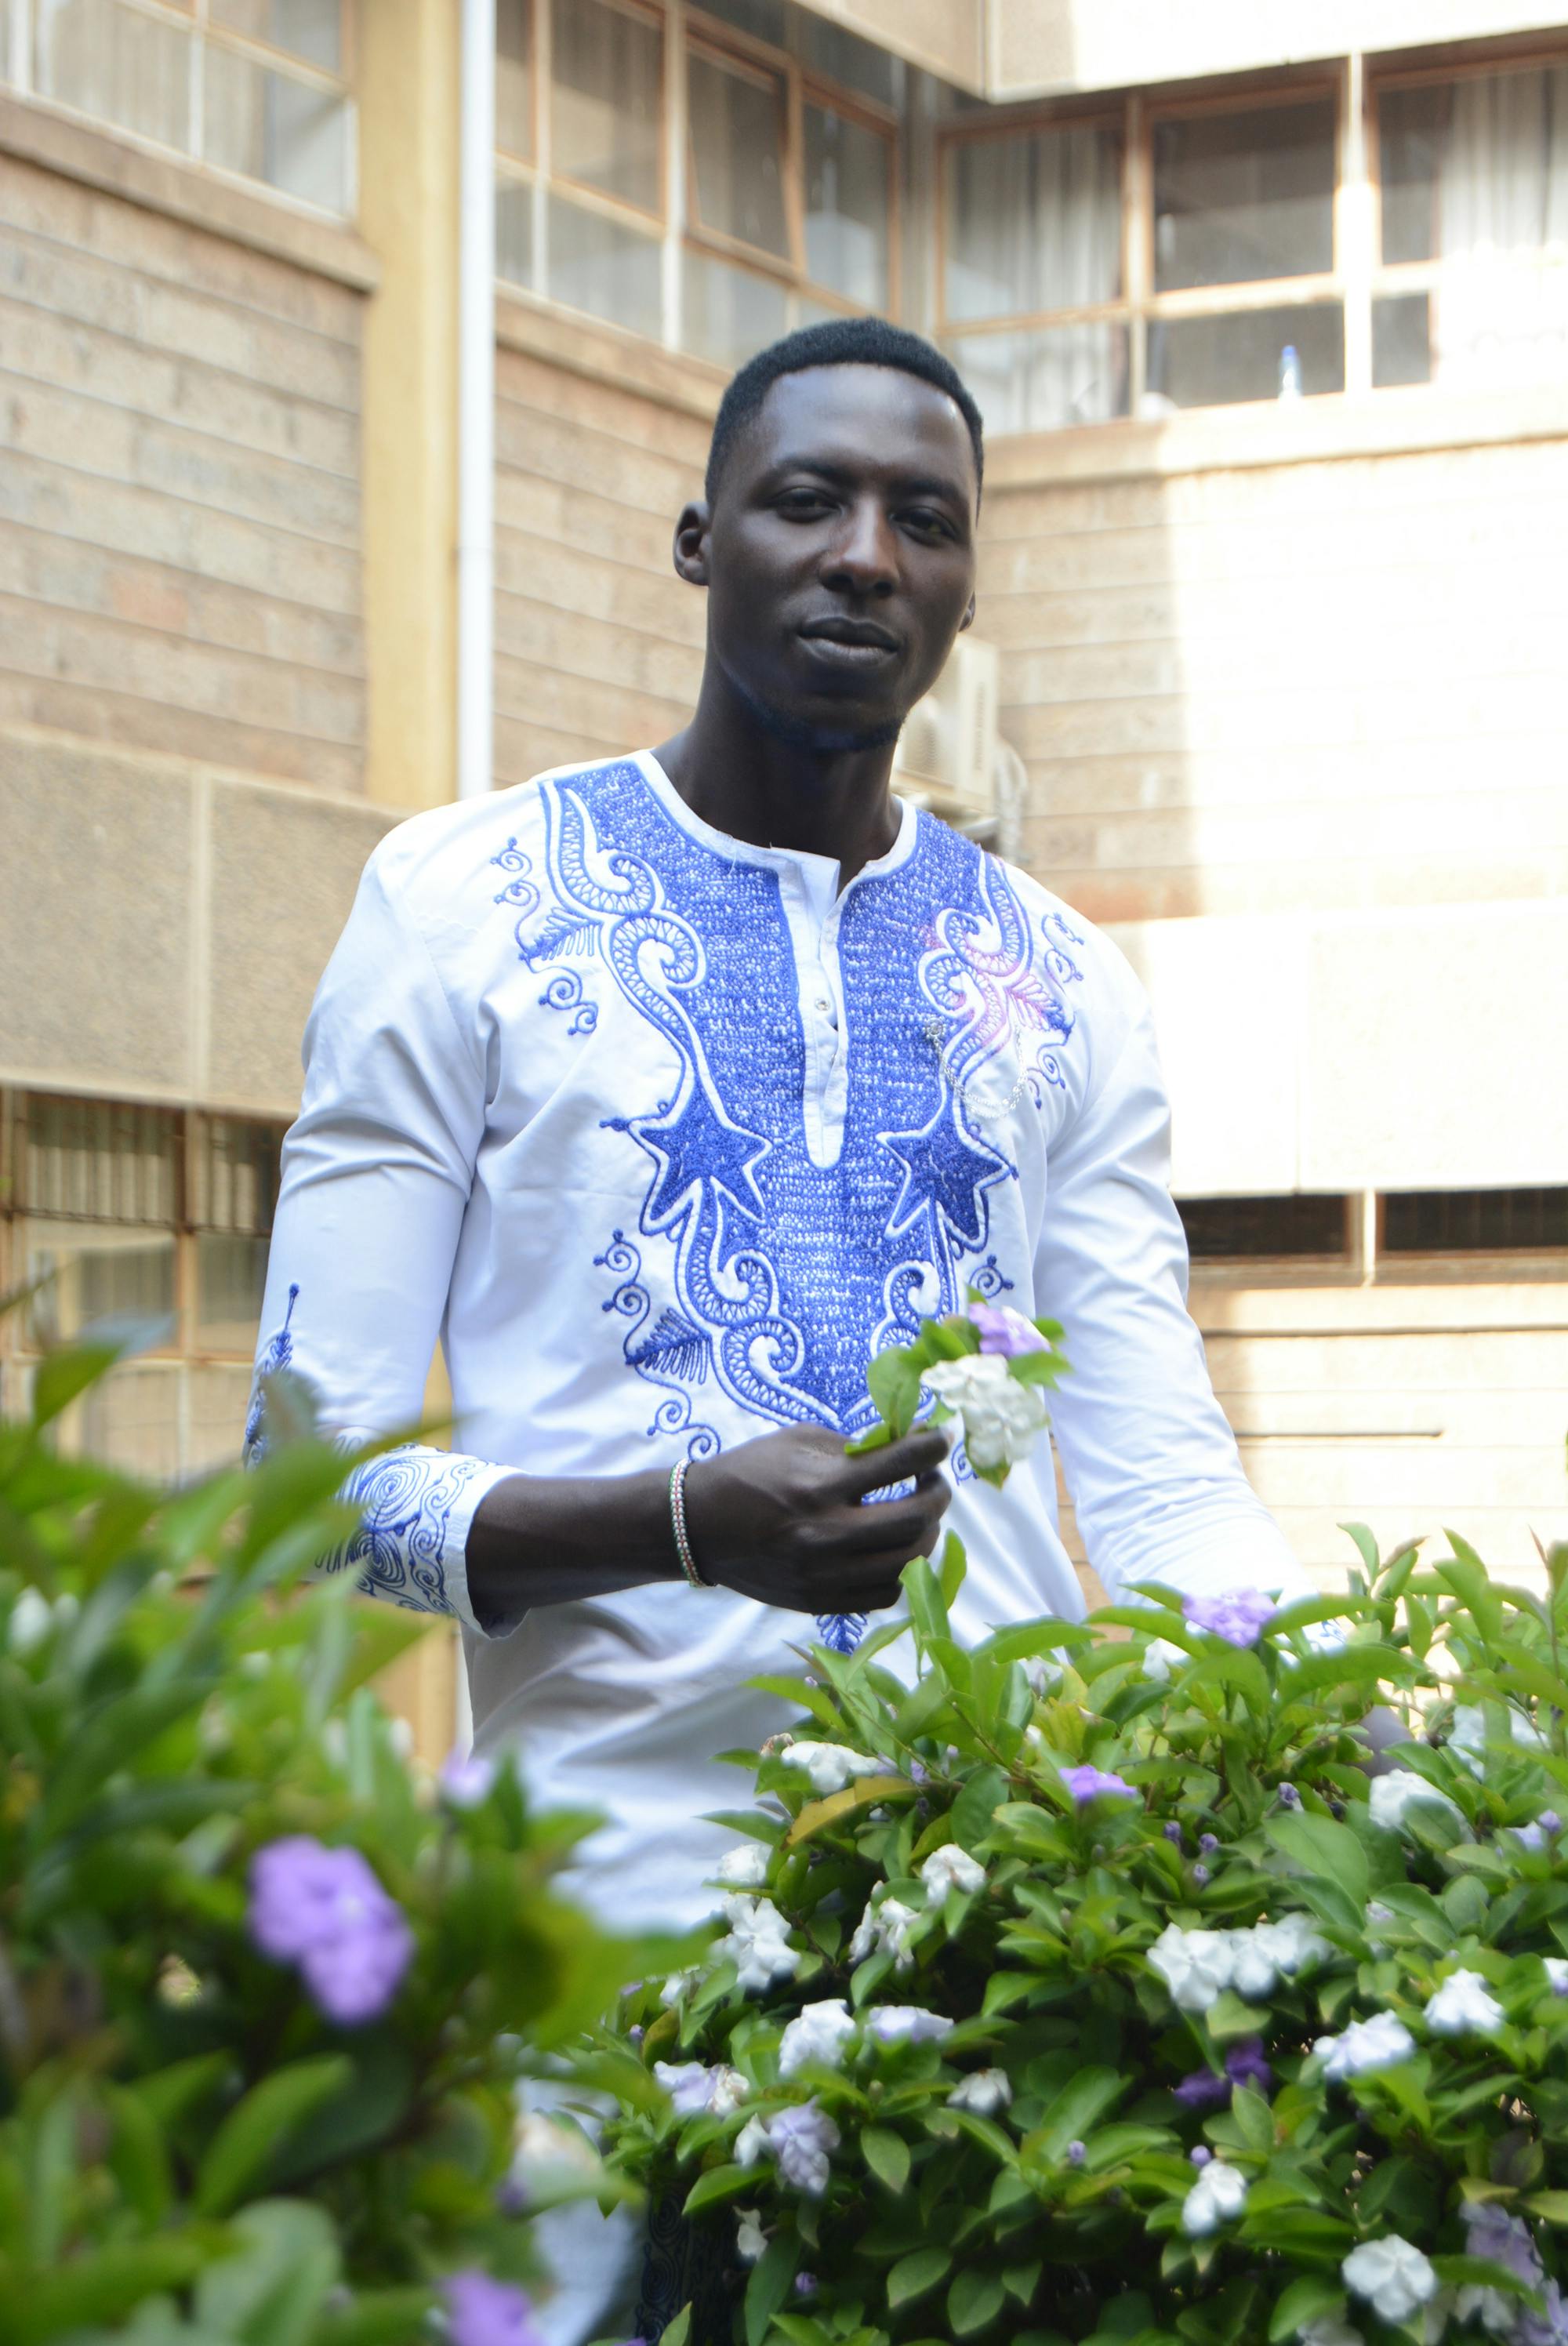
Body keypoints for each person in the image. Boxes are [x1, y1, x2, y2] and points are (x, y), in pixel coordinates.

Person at [247, 318, 1312, 2333]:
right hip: (576, 1955)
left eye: (923, 519)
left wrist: (1367, 1760)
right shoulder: (461, 900)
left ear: (969, 589)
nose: (863, 555)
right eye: (805, 498)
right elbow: (312, 1479)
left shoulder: (1061, 979)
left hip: (992, 1945)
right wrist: (681, 1522)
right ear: (696, 538)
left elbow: (1162, 1480)